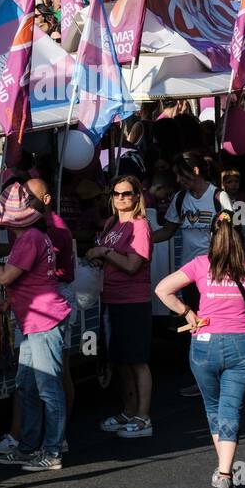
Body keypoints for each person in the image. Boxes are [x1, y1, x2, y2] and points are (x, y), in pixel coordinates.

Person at [155, 210, 245, 488]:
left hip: (204, 342)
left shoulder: (201, 264)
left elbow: (162, 289)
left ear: (212, 238)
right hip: (242, 343)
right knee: (231, 407)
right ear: (238, 238)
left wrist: (188, 312)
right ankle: (225, 474)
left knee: (213, 407)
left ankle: (223, 470)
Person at [0, 181, 70, 472]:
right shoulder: (35, 237)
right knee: (27, 386)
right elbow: (32, 282)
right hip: (37, 319)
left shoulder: (28, 240)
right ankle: (29, 448)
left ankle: (51, 451)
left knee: (47, 388)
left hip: (43, 321)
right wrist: (5, 306)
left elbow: (4, 277)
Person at [153, 151, 225, 396]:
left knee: (215, 323)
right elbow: (168, 231)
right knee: (196, 323)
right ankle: (203, 376)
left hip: (215, 272)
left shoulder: (217, 196)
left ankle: (218, 373)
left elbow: (230, 233)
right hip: (190, 273)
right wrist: (141, 238)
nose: (178, 180)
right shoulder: (180, 198)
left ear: (195, 171)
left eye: (180, 175)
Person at [88, 175, 154, 437]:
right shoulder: (111, 223)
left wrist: (103, 253)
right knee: (121, 361)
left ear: (137, 196)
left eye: (127, 193)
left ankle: (143, 417)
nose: (121, 198)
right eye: (116, 193)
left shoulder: (140, 226)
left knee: (137, 360)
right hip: (111, 297)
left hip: (133, 300)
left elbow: (132, 265)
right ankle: (129, 410)